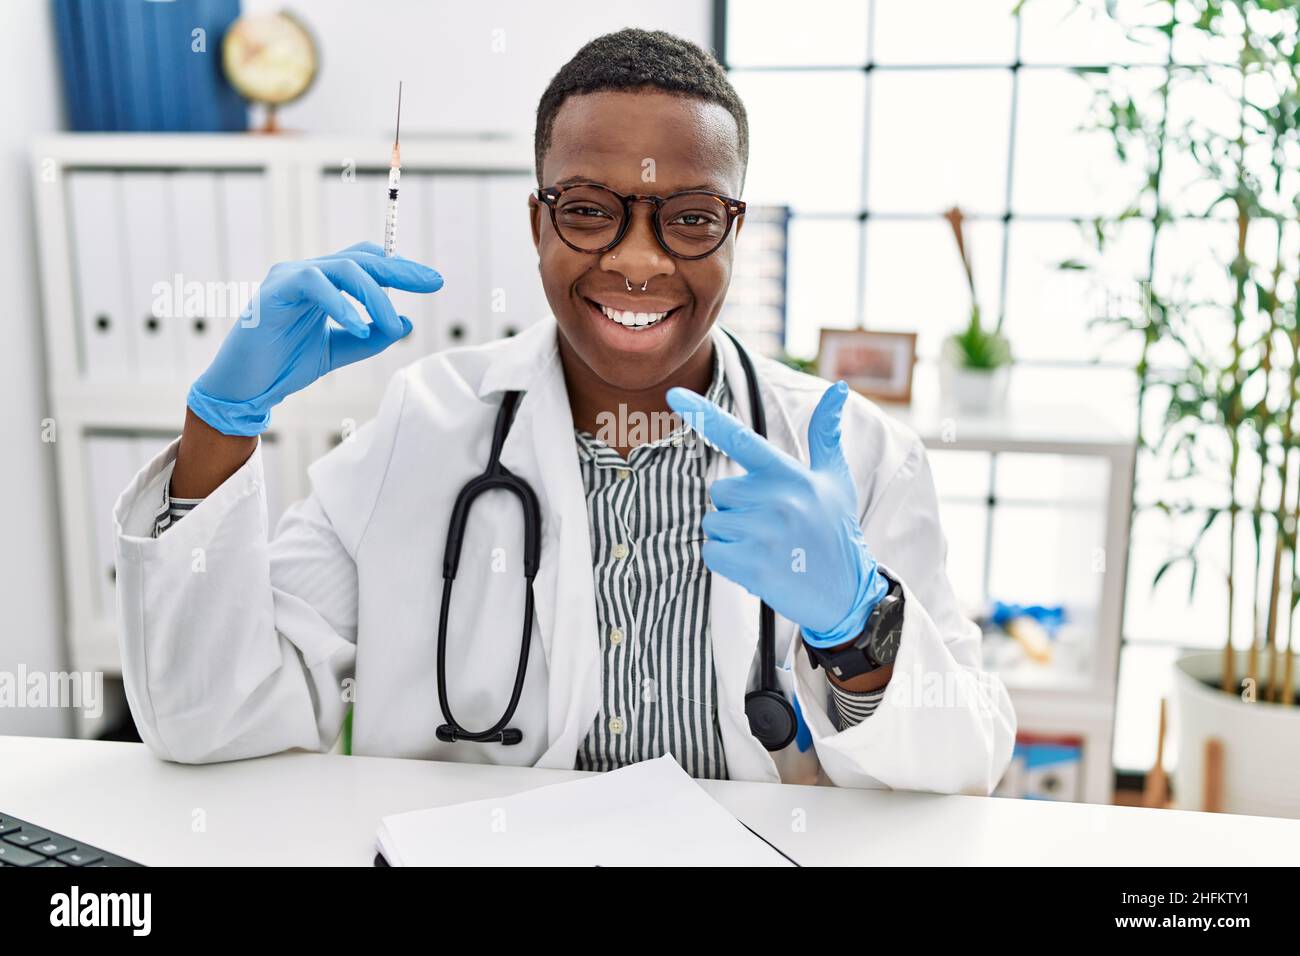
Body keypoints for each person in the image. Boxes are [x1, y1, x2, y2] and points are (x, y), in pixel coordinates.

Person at [113, 28, 1015, 791]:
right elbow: (209, 715)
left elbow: (964, 761)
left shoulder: (854, 453)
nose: (639, 261)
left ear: (735, 232)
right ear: (538, 222)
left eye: (691, 218)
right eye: (588, 211)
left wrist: (859, 624)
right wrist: (221, 424)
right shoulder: (425, 424)